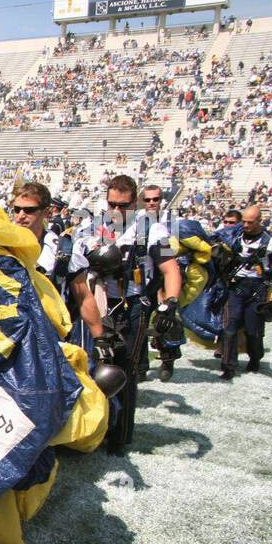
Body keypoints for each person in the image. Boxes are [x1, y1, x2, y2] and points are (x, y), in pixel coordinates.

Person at [74, 175, 181, 453]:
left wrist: (171, 302)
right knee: (92, 366)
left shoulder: (155, 231)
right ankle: (90, 429)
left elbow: (170, 268)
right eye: (112, 204)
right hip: (96, 302)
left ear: (135, 202)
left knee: (125, 372)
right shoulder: (92, 227)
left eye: (123, 205)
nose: (117, 211)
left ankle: (120, 436)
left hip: (133, 305)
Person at [14, 182, 104, 359]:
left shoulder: (63, 249)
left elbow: (83, 297)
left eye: (29, 210)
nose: (21, 216)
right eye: (17, 209)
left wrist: (100, 340)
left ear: (46, 212)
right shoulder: (1, 247)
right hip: (13, 333)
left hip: (51, 335)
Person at [219, 205, 272, 378]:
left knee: (253, 331)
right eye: (244, 221)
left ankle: (255, 358)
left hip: (258, 289)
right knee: (229, 328)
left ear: (259, 221)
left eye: (250, 222)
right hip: (235, 286)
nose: (246, 225)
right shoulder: (233, 236)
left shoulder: (271, 241)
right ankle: (228, 366)